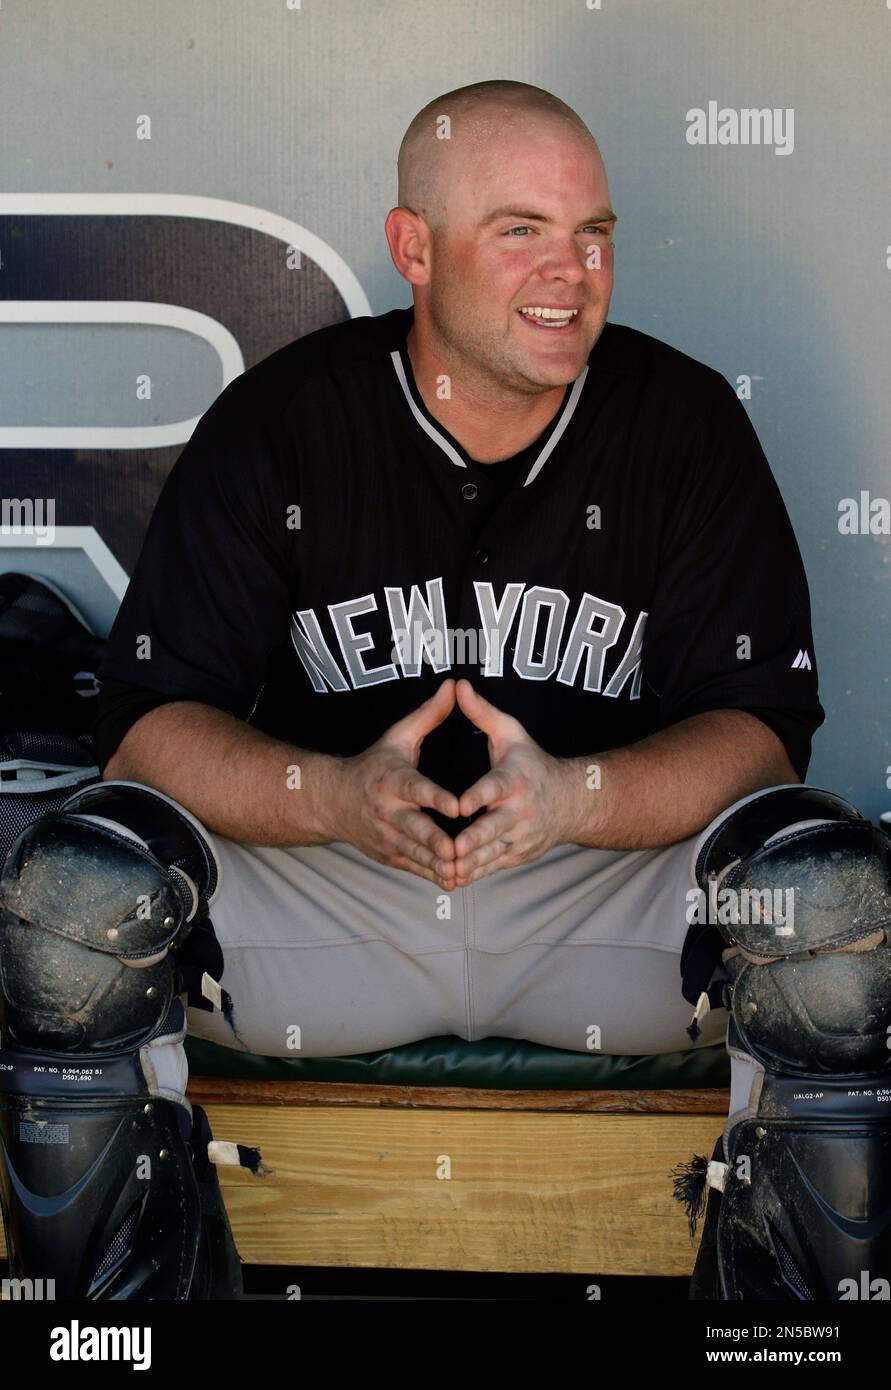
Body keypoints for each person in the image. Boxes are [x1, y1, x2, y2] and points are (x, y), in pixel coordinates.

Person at [1, 80, 888, 1301]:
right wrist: (332, 795)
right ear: (413, 248)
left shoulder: (679, 422)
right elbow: (148, 732)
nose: (570, 271)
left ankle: (788, 1342)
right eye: (520, 230)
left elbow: (762, 738)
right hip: (336, 898)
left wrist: (577, 795)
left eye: (593, 233)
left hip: (602, 902)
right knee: (78, 896)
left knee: (823, 900)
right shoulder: (286, 421)